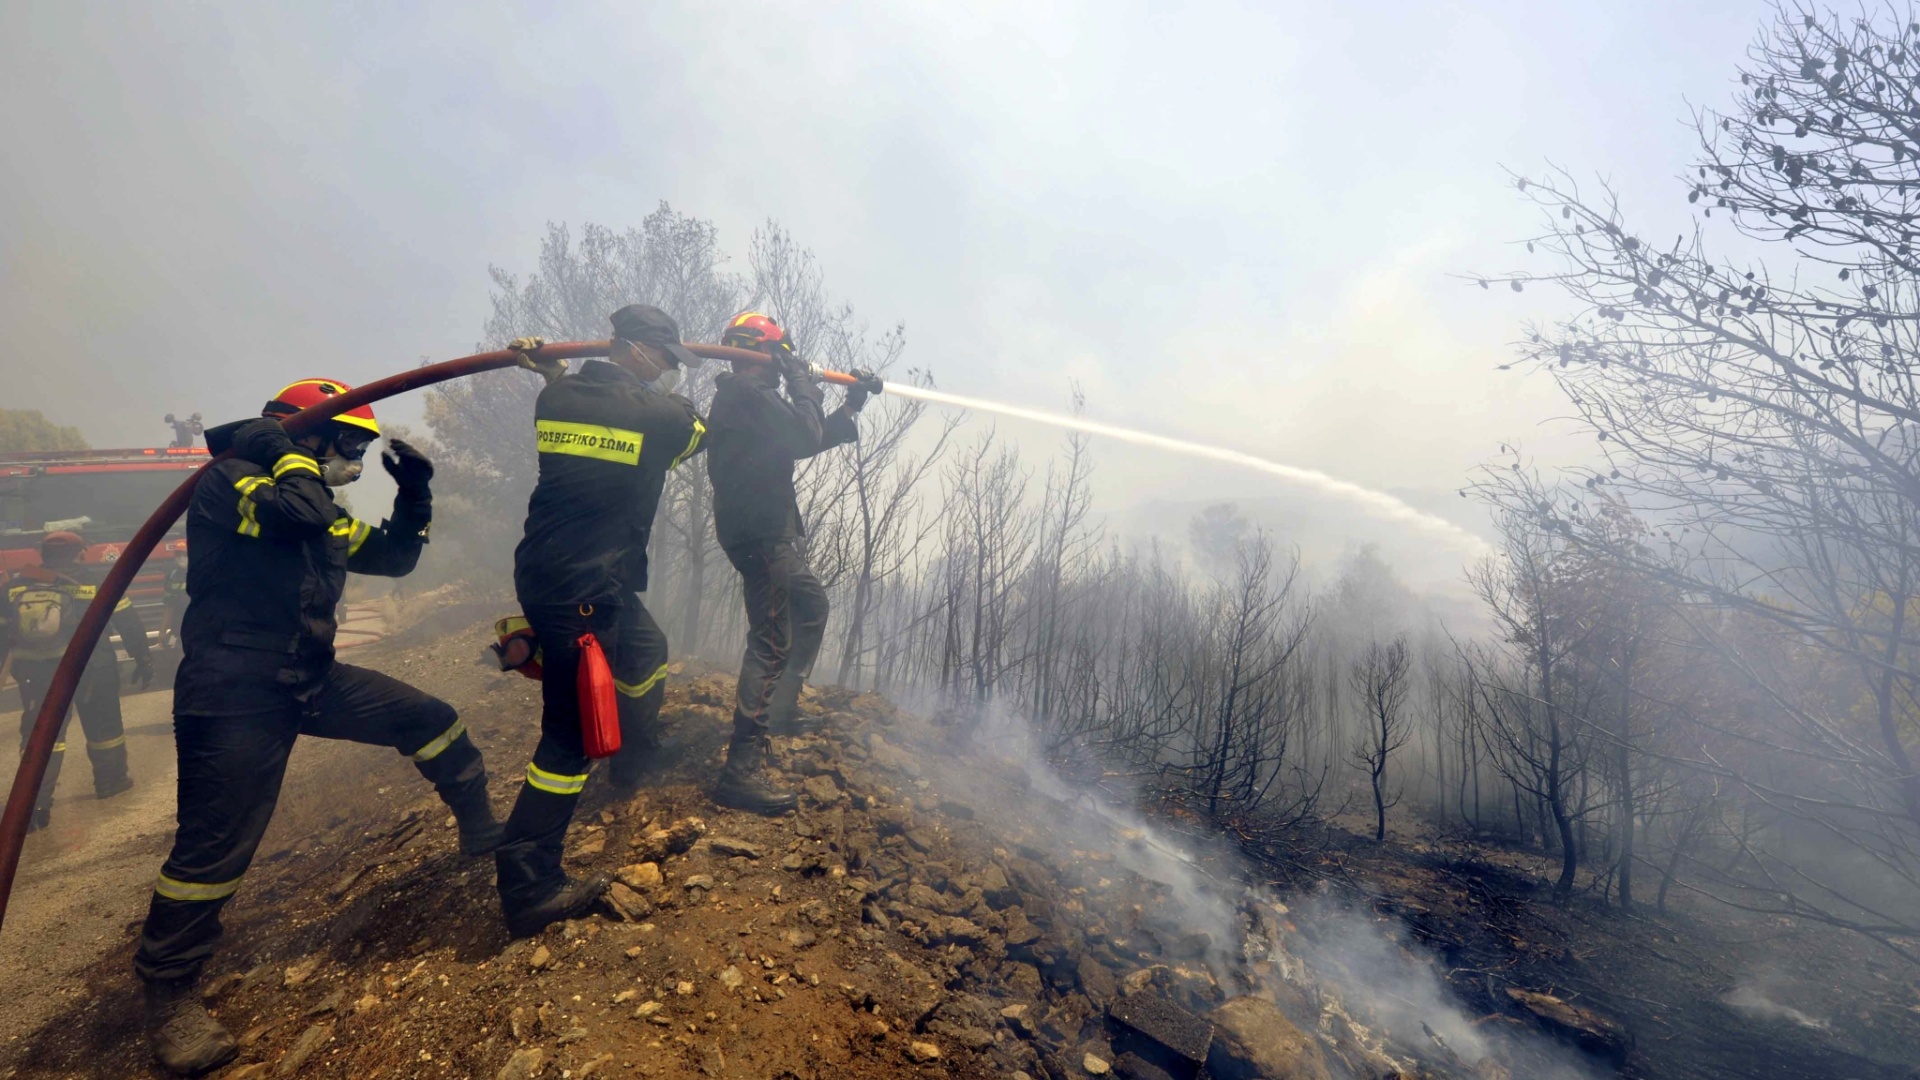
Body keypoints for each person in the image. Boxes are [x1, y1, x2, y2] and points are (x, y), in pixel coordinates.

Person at [133, 379, 504, 1076]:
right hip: (235, 688)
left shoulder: (309, 497)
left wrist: (415, 494)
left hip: (308, 676)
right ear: (304, 434)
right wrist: (276, 448)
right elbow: (299, 513)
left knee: (432, 721)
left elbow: (392, 558)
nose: (358, 461)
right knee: (212, 854)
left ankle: (484, 833)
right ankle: (169, 996)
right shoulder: (231, 482)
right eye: (351, 443)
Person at [497, 304, 706, 938]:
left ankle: (637, 755)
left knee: (645, 651)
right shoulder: (661, 415)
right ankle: (529, 886)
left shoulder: (555, 398)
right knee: (567, 738)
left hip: (554, 572)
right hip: (585, 589)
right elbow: (700, 434)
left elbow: (576, 398)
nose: (671, 373)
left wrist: (552, 370)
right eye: (668, 361)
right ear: (639, 351)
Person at [705, 311, 873, 814]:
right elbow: (802, 433)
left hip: (767, 532)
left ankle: (782, 708)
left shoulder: (753, 400)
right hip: (760, 534)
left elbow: (808, 436)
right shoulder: (743, 393)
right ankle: (741, 770)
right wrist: (804, 382)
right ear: (769, 352)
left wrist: (852, 404)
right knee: (772, 641)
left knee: (812, 606)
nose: (785, 368)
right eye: (782, 357)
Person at [1, 530, 155, 832]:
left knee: (43, 734)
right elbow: (129, 624)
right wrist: (143, 659)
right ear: (79, 553)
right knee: (105, 729)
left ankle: (35, 804)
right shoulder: (98, 582)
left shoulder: (14, 587)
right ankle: (111, 782)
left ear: (42, 553)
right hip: (93, 667)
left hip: (38, 672)